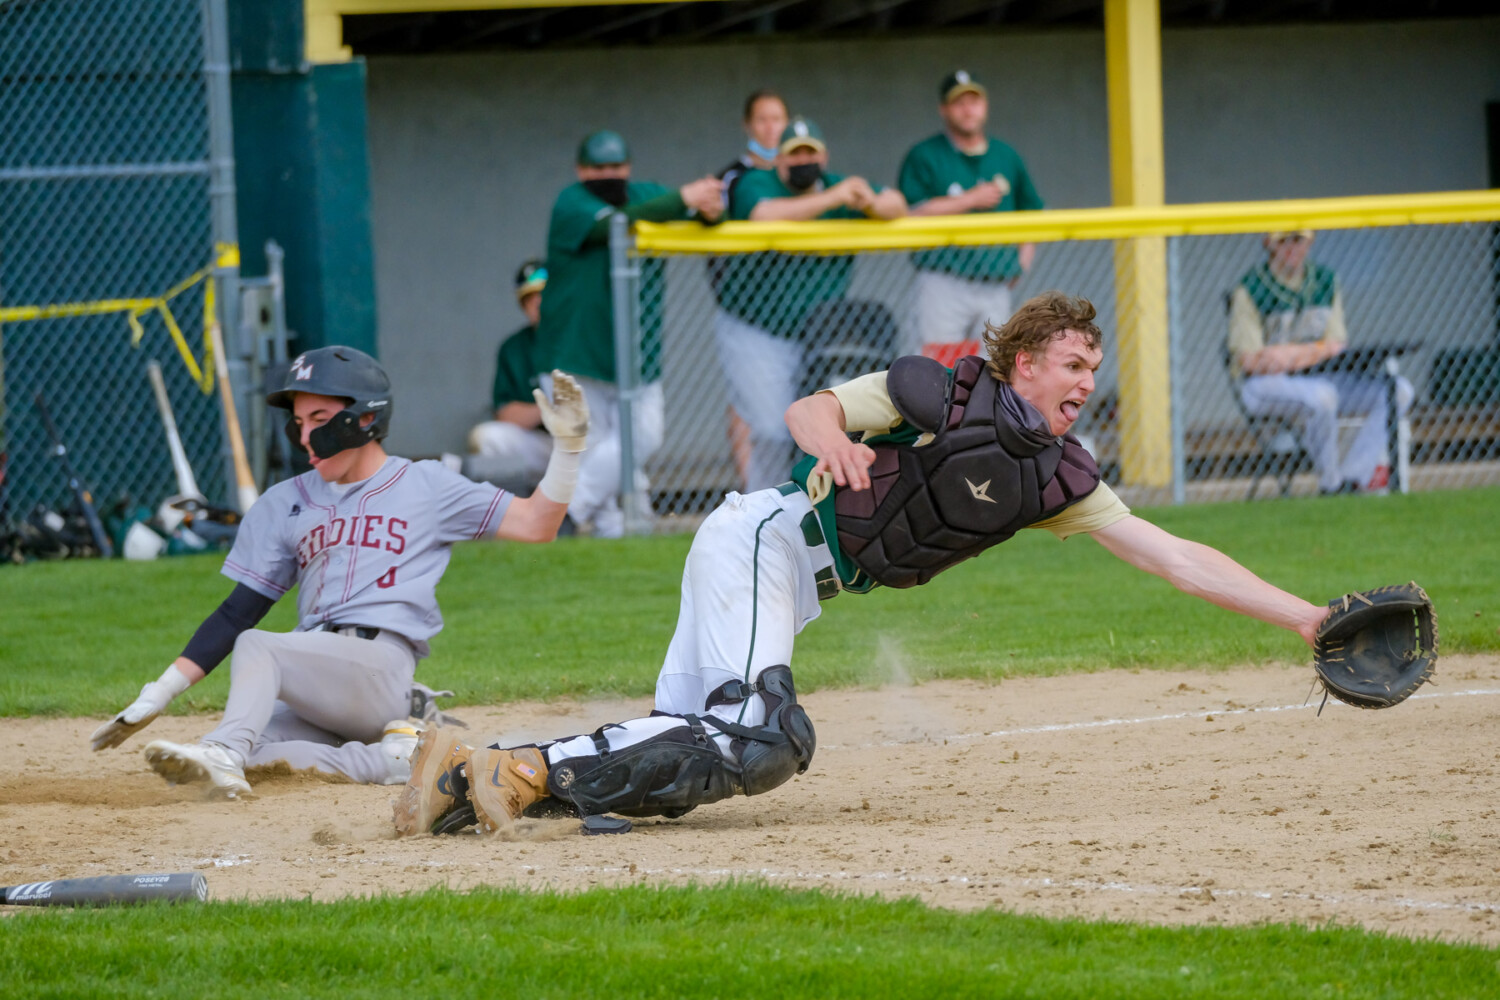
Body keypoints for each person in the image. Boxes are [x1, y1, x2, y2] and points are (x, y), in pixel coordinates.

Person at [393, 291, 1337, 839]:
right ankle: (516, 769)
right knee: (762, 742)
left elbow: (1176, 557)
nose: (1088, 384)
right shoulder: (941, 391)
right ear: (1022, 362)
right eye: (1072, 364)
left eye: (1094, 369)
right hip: (763, 539)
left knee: (693, 755)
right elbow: (810, 413)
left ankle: (466, 786)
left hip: (796, 584)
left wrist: (1305, 619)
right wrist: (830, 446)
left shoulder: (1058, 476)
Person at [89, 345, 591, 798]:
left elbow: (537, 524)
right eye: (299, 422)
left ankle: (226, 749)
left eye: (320, 418)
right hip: (317, 678)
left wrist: (567, 450)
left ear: (363, 419)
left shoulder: (426, 484)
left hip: (380, 667)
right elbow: (237, 611)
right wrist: (158, 692)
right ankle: (390, 760)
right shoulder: (284, 502)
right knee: (256, 754)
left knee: (257, 656)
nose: (306, 435)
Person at [534, 129, 724, 537]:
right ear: (580, 170)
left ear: (629, 167)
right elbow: (613, 228)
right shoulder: (571, 202)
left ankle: (567, 513)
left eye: (616, 166)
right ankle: (609, 533)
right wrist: (684, 199)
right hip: (573, 355)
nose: (609, 174)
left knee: (644, 437)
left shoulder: (648, 194)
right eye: (598, 167)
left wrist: (708, 206)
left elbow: (700, 214)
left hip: (637, 355)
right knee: (588, 450)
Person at [713, 115, 907, 492]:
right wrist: (836, 197)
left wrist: (869, 201)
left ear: (824, 156)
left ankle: (800, 506)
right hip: (755, 328)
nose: (802, 161)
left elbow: (897, 204)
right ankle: (759, 502)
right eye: (793, 155)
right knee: (771, 429)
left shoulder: (841, 187)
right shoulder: (758, 182)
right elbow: (761, 215)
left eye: (810, 154)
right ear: (779, 160)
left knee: (818, 426)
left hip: (815, 333)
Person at [1227, 229, 1414, 494]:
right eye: (1284, 241)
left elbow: (1337, 345)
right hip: (1264, 385)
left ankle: (1354, 479)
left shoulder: (1326, 280)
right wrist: (1316, 350)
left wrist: (1286, 355)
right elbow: (1251, 360)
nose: (1292, 247)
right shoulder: (1250, 288)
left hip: (1321, 376)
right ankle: (1331, 485)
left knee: (1400, 391)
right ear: (1268, 243)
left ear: (1311, 242)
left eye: (1299, 240)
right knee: (1322, 397)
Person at [898, 69, 1044, 365]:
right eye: (959, 103)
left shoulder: (1006, 155)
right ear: (944, 109)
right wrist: (969, 200)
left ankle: (981, 415)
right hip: (944, 278)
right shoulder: (925, 154)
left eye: (974, 101)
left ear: (985, 106)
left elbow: (1033, 212)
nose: (968, 109)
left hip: (995, 280)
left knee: (994, 368)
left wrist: (1023, 261)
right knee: (938, 367)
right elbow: (910, 213)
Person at [713, 89, 792, 486]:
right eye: (762, 119)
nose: (770, 127)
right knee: (746, 405)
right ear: (748, 125)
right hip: (746, 310)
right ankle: (750, 486)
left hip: (791, 309)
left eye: (777, 119)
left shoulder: (794, 173)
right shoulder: (733, 177)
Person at [465, 259, 551, 496]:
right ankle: (511, 510)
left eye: (543, 294)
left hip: (585, 448)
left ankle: (628, 514)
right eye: (529, 297)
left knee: (610, 453)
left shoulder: (579, 339)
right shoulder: (514, 348)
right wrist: (548, 408)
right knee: (487, 439)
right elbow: (505, 413)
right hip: (545, 446)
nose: (537, 302)